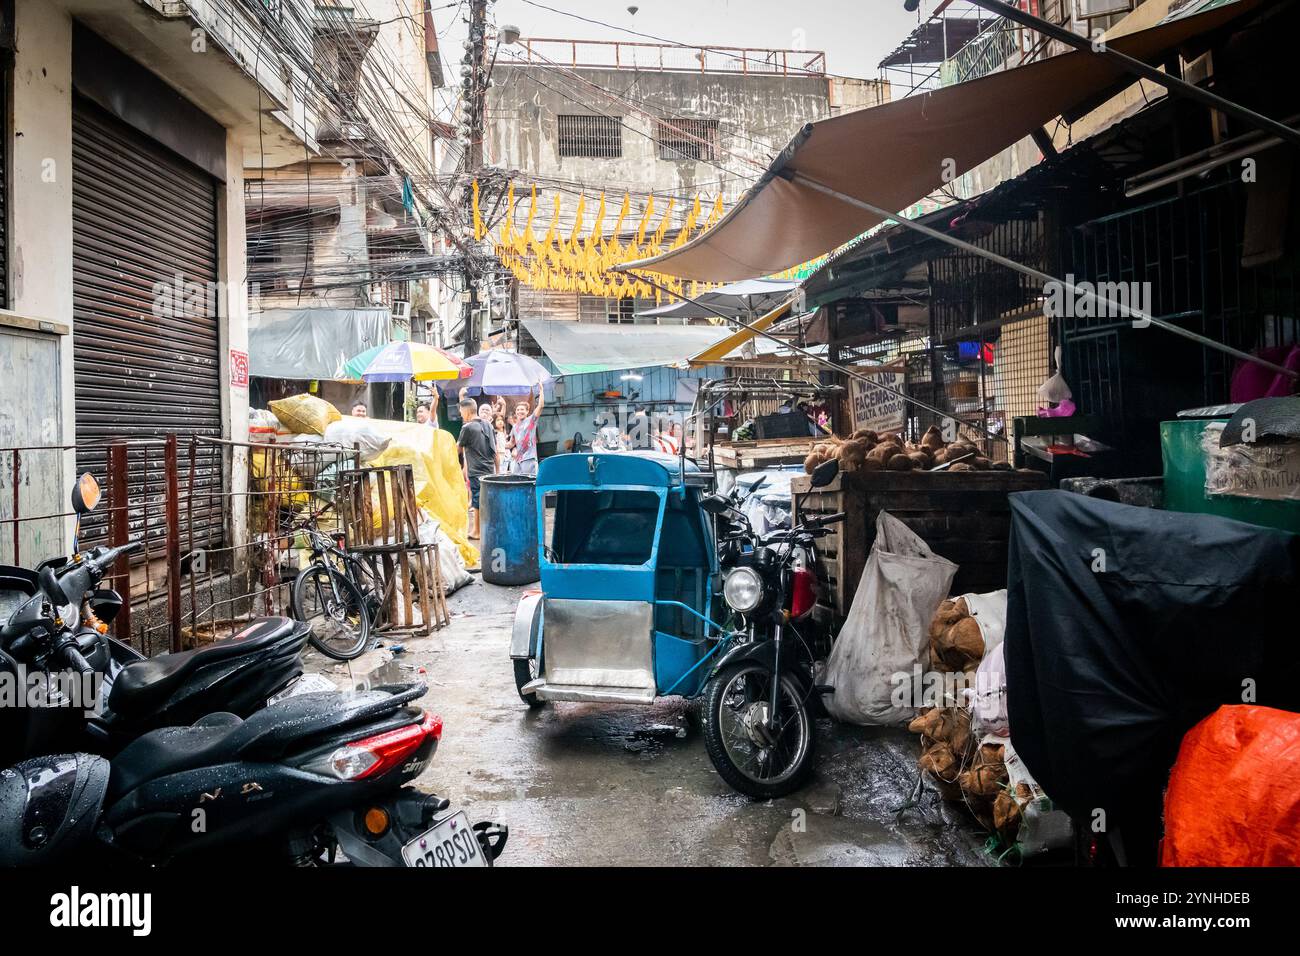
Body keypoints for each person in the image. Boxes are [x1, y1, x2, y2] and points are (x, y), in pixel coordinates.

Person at [457, 398, 496, 540]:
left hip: (476, 470)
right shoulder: (488, 425)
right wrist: (497, 471)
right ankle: (486, 529)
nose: (461, 415)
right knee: (487, 500)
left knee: (477, 501)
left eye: (461, 411)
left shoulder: (466, 428)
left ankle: (476, 531)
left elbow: (458, 449)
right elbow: (495, 450)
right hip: (489, 468)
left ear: (467, 411)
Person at [510, 384, 544, 477]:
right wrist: (497, 445)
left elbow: (540, 406)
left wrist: (541, 390)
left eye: (522, 409)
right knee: (515, 481)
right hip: (518, 460)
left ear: (527, 412)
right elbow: (511, 443)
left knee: (529, 482)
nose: (520, 411)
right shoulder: (514, 427)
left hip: (529, 458)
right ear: (515, 412)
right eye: (518, 410)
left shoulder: (531, 420)